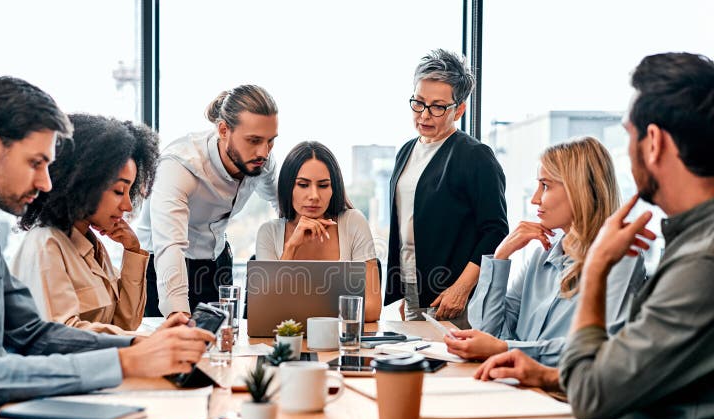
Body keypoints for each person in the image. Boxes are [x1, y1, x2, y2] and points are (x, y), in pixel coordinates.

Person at [0, 77, 214, 419]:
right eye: (36, 163)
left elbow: (33, 333)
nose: (44, 182)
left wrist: (139, 345)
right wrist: (125, 361)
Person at [475, 52, 714, 419]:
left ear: (655, 143)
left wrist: (600, 262)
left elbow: (591, 389)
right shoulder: (689, 242)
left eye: (628, 136)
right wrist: (545, 374)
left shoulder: (700, 261)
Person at [445, 137, 645, 366]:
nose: (535, 199)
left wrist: (506, 348)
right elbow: (486, 331)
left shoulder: (622, 259)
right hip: (515, 385)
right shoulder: (542, 254)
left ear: (578, 189)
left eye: (546, 186)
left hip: (562, 395)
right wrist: (500, 256)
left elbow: (600, 347)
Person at [385, 49, 508, 327]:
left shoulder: (475, 156)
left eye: (438, 107)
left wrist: (461, 288)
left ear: (460, 109)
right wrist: (407, 292)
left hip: (453, 296)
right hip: (413, 291)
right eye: (419, 102)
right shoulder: (405, 152)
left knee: (451, 368)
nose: (425, 115)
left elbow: (496, 230)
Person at [136, 85, 279, 317]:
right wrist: (177, 315)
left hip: (217, 260)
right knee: (172, 342)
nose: (263, 152)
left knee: (221, 343)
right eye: (253, 140)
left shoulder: (261, 160)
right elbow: (170, 246)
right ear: (224, 130)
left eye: (270, 141)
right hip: (160, 265)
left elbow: (283, 205)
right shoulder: (180, 166)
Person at [12, 114, 159, 335]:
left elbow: (125, 322)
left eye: (130, 192)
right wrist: (149, 340)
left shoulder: (92, 246)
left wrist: (133, 251)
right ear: (85, 184)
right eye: (119, 191)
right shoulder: (46, 244)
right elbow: (62, 334)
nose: (128, 206)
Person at [255, 141, 381, 322]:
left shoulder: (353, 222)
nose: (314, 195)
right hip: (289, 342)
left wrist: (306, 318)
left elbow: (372, 309)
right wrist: (291, 247)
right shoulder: (268, 233)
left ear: (333, 188)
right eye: (303, 185)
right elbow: (267, 310)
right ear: (288, 187)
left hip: (341, 343)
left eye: (323, 185)